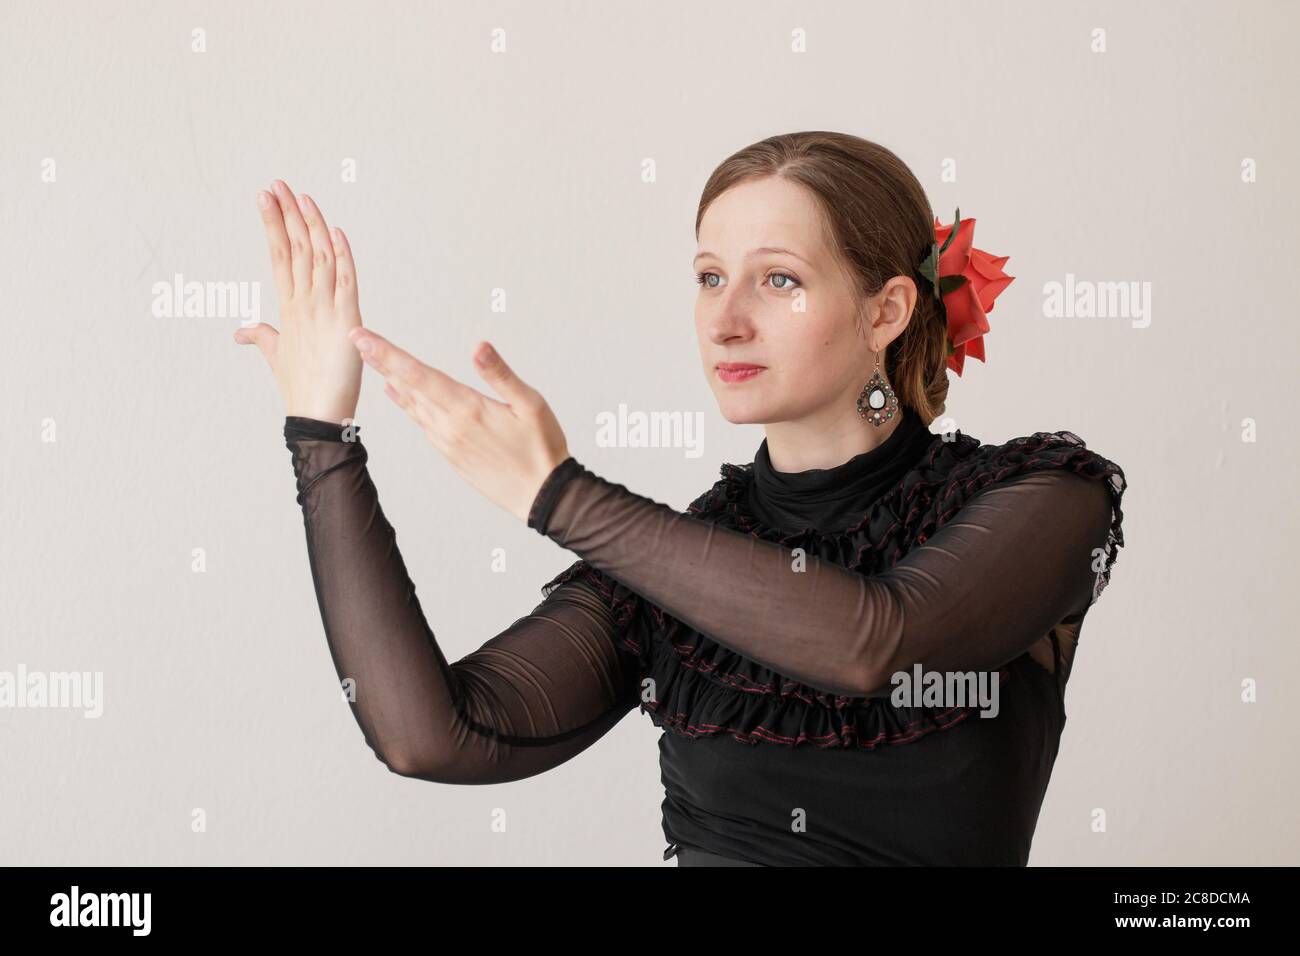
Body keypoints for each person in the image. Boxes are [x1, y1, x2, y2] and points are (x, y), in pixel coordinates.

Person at [236, 131, 1127, 867]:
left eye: (778, 279)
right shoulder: (675, 563)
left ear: (886, 310)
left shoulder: (1039, 501)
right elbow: (433, 735)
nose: (725, 318)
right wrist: (323, 439)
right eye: (709, 277)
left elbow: (879, 642)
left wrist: (557, 496)